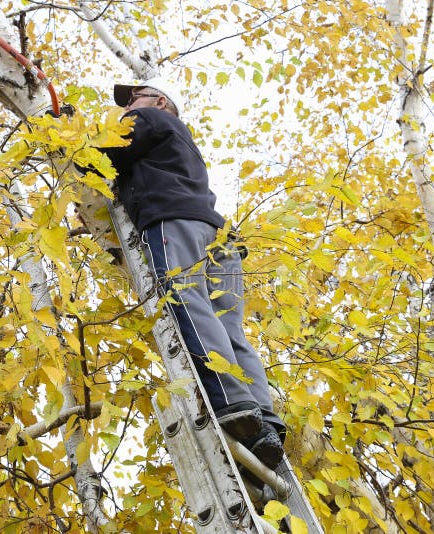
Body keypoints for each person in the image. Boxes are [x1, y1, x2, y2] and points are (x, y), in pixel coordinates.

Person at [102, 77, 286, 472]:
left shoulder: (148, 119)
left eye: (136, 97)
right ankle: (266, 421)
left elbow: (105, 151)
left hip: (175, 222)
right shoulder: (179, 142)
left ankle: (235, 406)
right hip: (219, 239)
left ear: (161, 102)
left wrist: (67, 138)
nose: (128, 106)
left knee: (185, 299)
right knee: (230, 327)